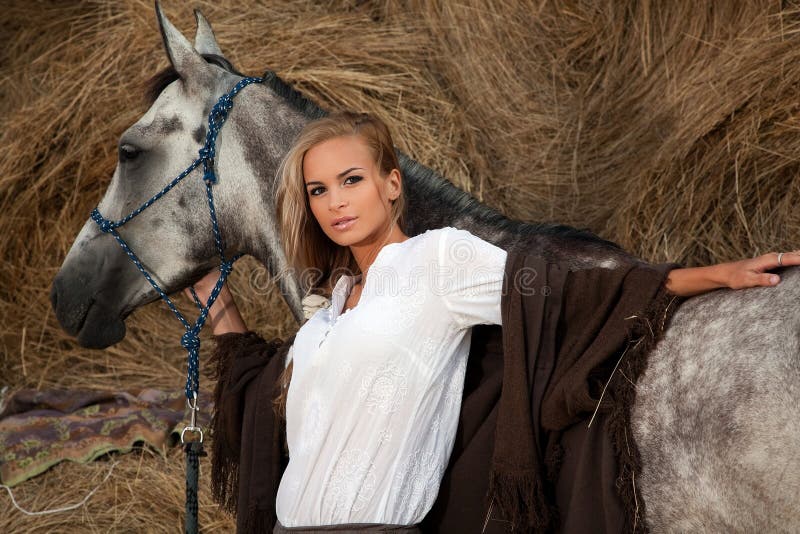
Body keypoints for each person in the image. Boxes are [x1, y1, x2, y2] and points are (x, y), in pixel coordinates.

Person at [185, 111, 800, 532]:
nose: (335, 202)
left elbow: (568, 292)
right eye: (317, 190)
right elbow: (274, 401)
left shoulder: (438, 260)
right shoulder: (331, 308)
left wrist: (709, 276)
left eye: (351, 180)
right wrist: (226, 316)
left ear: (392, 183)